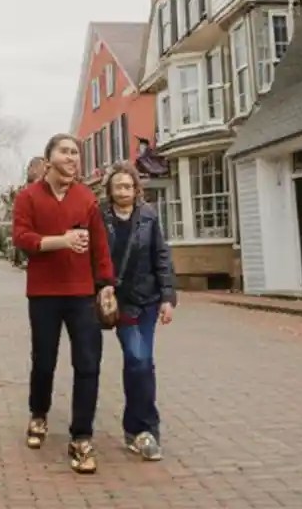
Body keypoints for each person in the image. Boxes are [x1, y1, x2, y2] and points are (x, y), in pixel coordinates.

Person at [10, 134, 115, 474]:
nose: (72, 158)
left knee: (88, 364)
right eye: (65, 152)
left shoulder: (86, 199)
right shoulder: (28, 197)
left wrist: (106, 285)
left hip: (82, 293)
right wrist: (62, 241)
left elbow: (100, 247)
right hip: (43, 294)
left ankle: (81, 437)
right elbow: (22, 239)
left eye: (75, 153)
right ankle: (38, 414)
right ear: (49, 158)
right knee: (44, 361)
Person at [101, 162, 175, 461]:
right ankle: (141, 430)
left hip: (147, 299)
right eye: (118, 186)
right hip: (119, 300)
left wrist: (168, 297)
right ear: (110, 190)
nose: (123, 191)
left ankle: (142, 431)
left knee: (140, 360)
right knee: (138, 359)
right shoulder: (100, 218)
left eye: (128, 186)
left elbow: (162, 256)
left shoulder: (148, 217)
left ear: (136, 189)